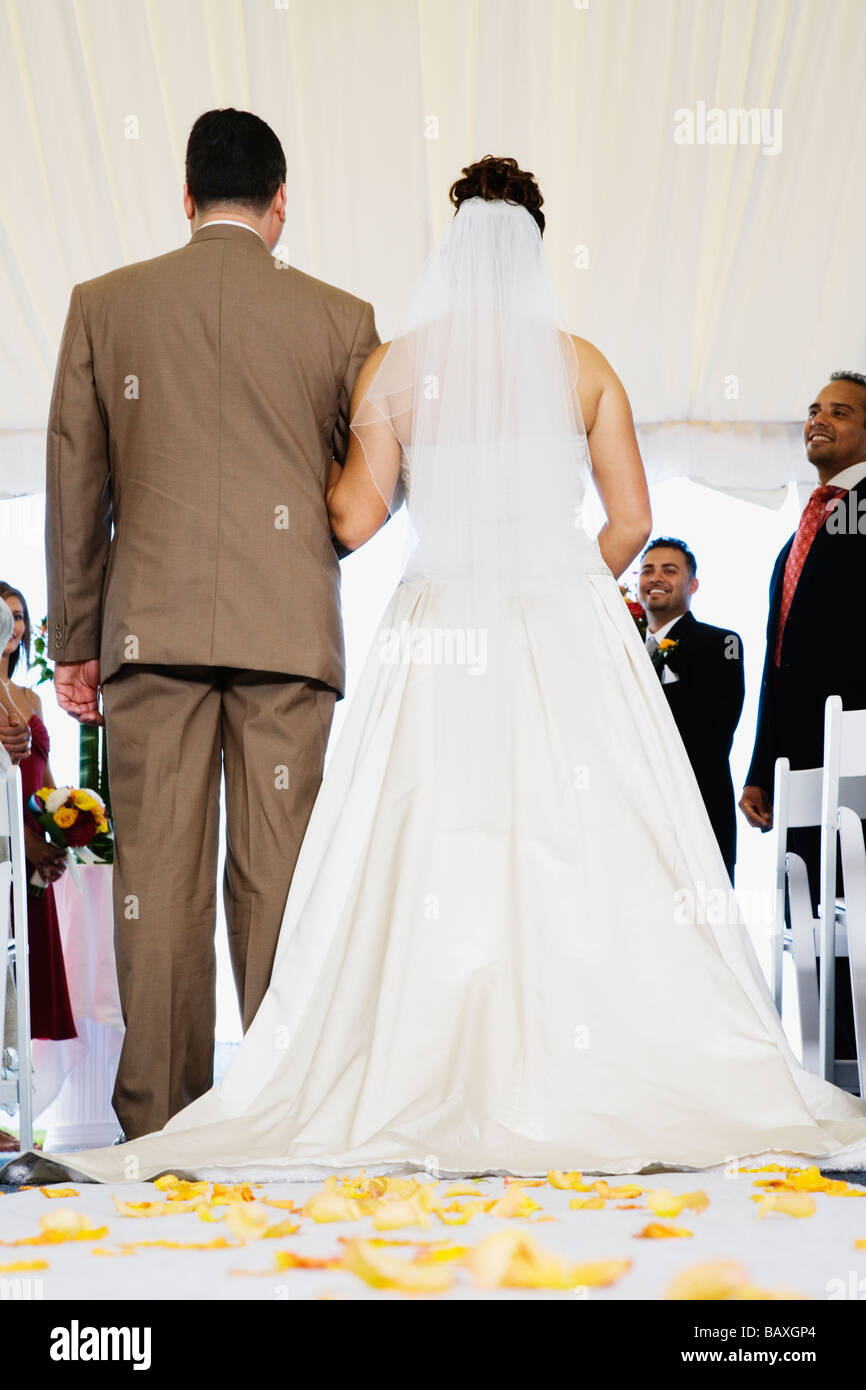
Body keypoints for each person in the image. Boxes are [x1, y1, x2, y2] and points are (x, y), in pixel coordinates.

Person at [7, 157, 866, 1189]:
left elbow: (349, 519)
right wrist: (562, 584)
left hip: (436, 620)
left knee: (429, 840)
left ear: (451, 247)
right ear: (535, 251)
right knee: (577, 839)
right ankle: (592, 1055)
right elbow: (632, 523)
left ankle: (411, 1064)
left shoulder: (402, 368)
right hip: (559, 628)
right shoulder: (582, 364)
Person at [39, 109, 380, 1142]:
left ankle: (158, 1124)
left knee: (158, 887)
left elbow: (73, 481)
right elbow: (372, 483)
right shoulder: (341, 317)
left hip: (153, 633)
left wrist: (77, 638)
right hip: (288, 639)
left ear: (186, 200)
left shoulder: (106, 305)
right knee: (279, 881)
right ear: (280, 207)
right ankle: (284, 1117)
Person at [740, 371, 866, 1061]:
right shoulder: (794, 544)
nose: (819, 419)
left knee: (862, 919)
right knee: (814, 924)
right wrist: (761, 767)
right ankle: (834, 1076)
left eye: (840, 412)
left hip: (861, 756)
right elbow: (778, 662)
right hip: (801, 769)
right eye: (814, 410)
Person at [0, 584, 76, 1153]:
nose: (15, 628)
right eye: (6, 617)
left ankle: (14, 1118)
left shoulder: (29, 695)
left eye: (20, 617)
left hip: (31, 842)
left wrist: (59, 831)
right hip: (4, 842)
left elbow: (43, 777)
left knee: (19, 980)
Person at [638, 538, 744, 883]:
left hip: (695, 811)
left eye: (669, 570)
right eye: (647, 570)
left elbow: (713, 735)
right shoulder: (618, 647)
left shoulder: (721, 644)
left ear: (693, 584)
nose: (655, 578)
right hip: (630, 816)